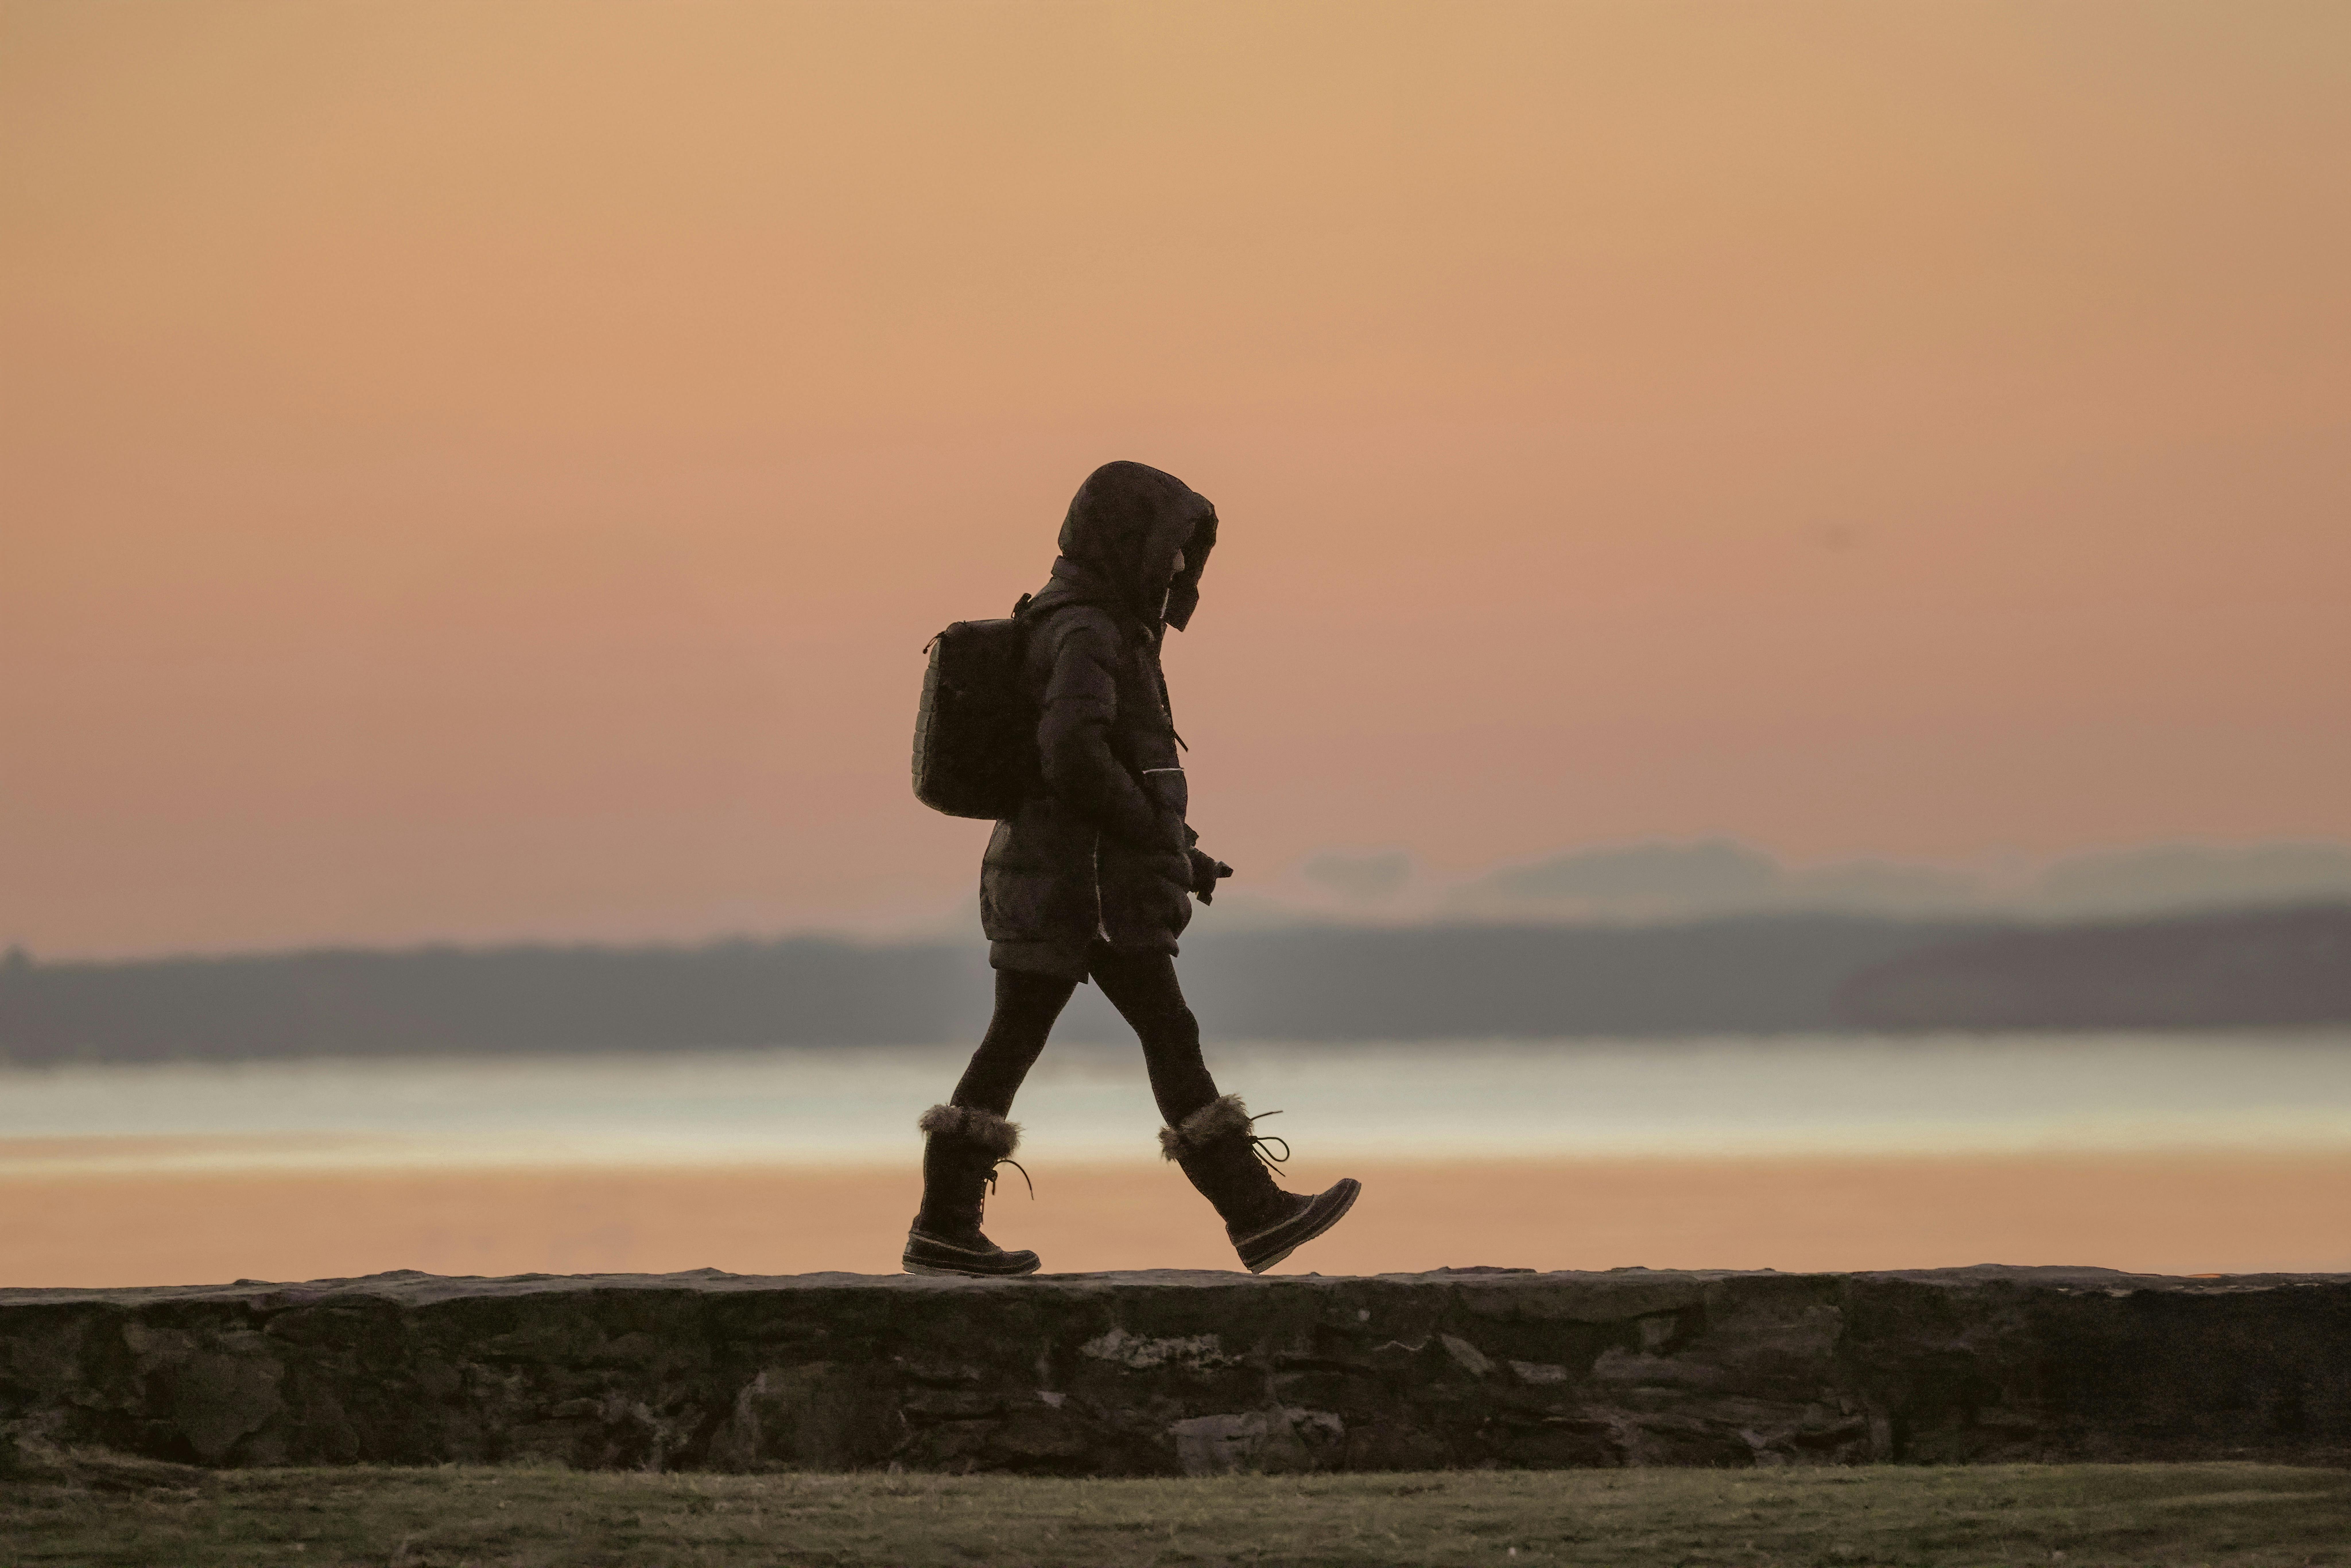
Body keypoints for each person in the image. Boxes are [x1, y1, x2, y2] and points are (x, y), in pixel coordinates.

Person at [905, 461, 1361, 1278]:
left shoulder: (1081, 622)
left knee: (1029, 1043)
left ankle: (944, 1228)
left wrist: (1180, 852)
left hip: (1063, 879)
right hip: (1086, 892)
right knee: (1157, 1033)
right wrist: (1154, 835)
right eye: (1171, 547)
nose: (1182, 567)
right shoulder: (1089, 630)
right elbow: (1075, 757)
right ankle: (1253, 1214)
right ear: (1127, 543)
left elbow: (1105, 769)